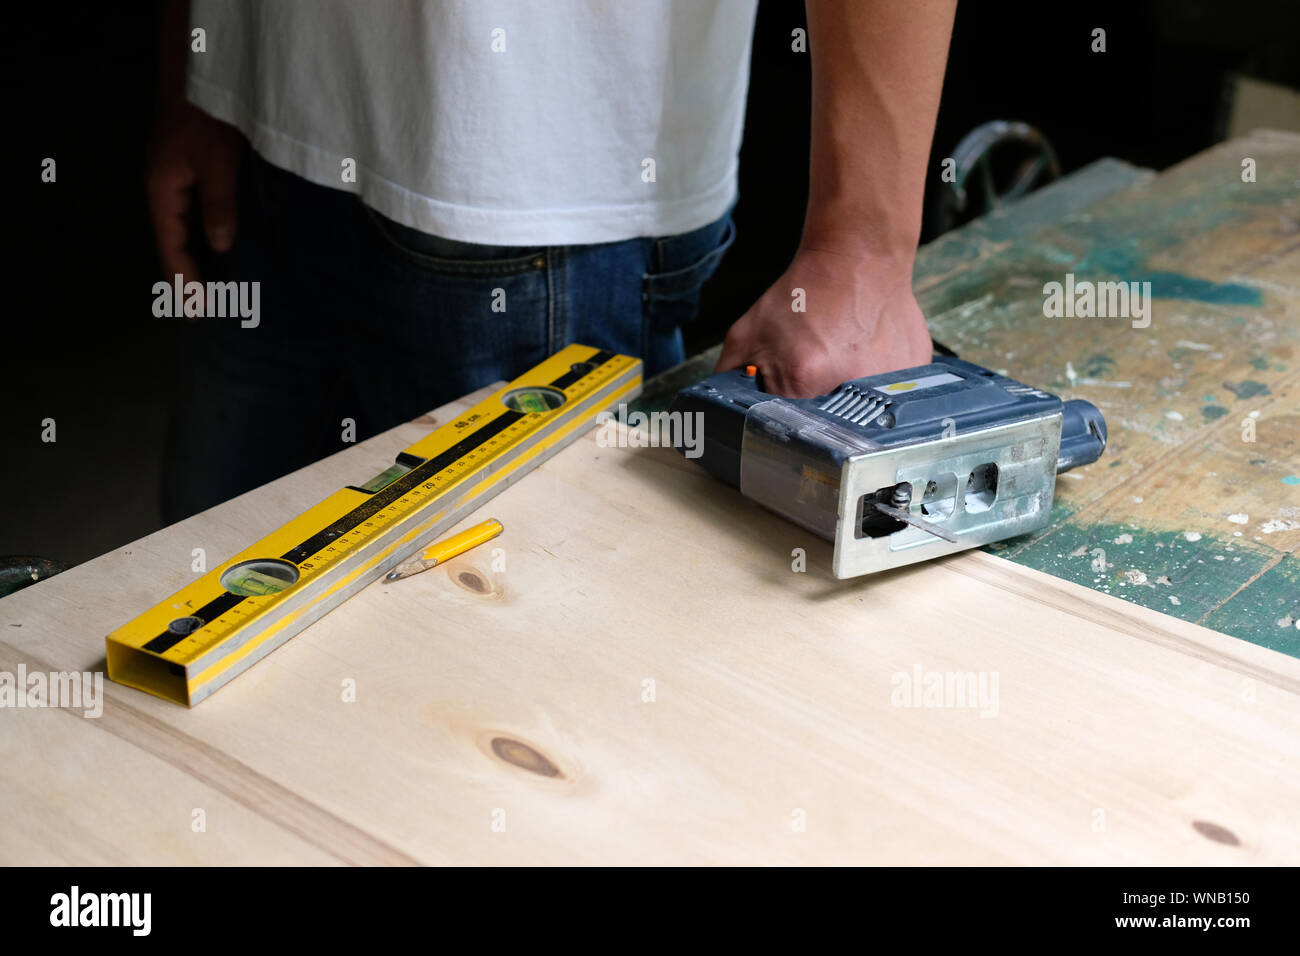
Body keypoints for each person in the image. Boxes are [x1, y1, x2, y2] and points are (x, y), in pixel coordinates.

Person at [149, 0, 955, 521]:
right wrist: (200, 60)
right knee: (200, 642)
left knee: (513, 712)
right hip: (267, 127)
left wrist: (864, 246)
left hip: (526, 198)